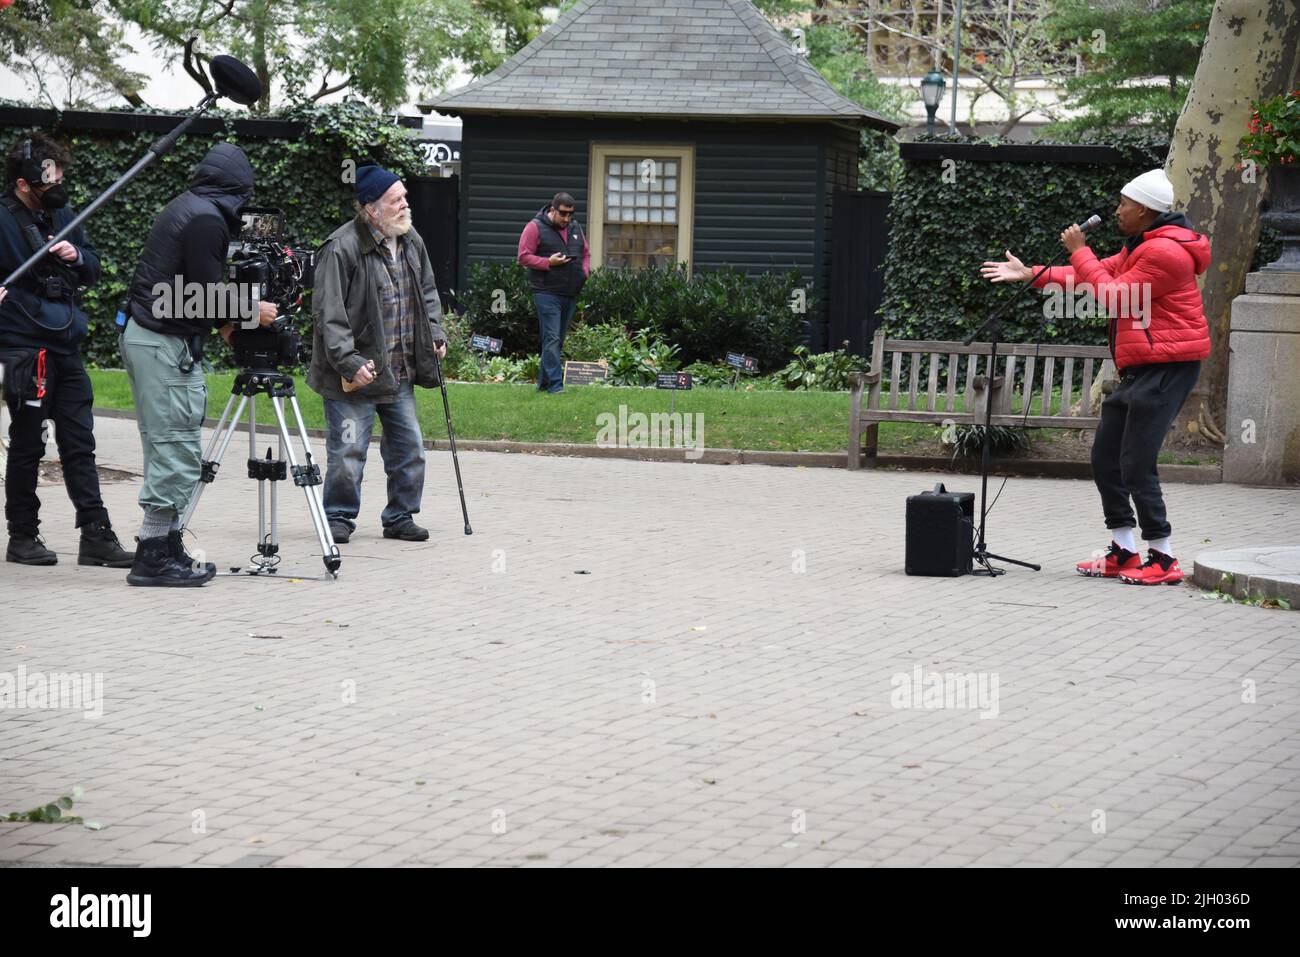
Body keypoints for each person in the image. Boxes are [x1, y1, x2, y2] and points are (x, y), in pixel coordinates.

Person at [980, 168, 1211, 585]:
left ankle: (1163, 557)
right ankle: (1124, 549)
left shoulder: (1166, 253)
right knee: (1106, 457)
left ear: (1143, 209)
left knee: (1137, 463)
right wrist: (1031, 274)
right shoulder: (1143, 245)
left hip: (1169, 365)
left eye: (1123, 204)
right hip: (1141, 367)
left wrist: (1079, 249)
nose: (1117, 210)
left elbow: (1113, 296)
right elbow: (1092, 275)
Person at [120, 143, 277, 586]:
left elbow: (179, 291)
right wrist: (253, 310)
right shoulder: (207, 220)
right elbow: (205, 296)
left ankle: (167, 548)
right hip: (161, 344)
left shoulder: (187, 207)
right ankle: (152, 557)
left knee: (170, 444)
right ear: (238, 191)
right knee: (175, 448)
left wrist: (225, 325)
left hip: (151, 337)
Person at [0, 134, 133, 568]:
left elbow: (94, 265)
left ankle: (96, 535)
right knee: (27, 445)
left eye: (60, 173)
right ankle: (22, 536)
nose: (58, 184)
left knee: (80, 441)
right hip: (24, 348)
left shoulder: (64, 213)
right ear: (23, 183)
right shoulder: (2, 219)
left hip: (66, 343)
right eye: (48, 177)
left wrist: (76, 255)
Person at [307, 166, 448, 544]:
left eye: (404, 196)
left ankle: (400, 516)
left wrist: (435, 332)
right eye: (395, 199)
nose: (405, 204)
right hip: (353, 374)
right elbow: (328, 315)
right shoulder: (342, 247)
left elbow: (429, 292)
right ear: (371, 209)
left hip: (398, 369)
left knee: (410, 449)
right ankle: (338, 516)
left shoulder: (410, 239)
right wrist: (350, 362)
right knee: (349, 452)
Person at [517, 192, 590, 393]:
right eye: (563, 214)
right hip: (546, 292)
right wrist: (548, 262)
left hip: (570, 292)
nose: (567, 219)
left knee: (557, 340)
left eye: (570, 214)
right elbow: (523, 256)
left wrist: (585, 271)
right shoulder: (535, 227)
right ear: (552, 210)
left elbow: (585, 253)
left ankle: (544, 384)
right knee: (551, 338)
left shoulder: (575, 227)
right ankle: (556, 387)